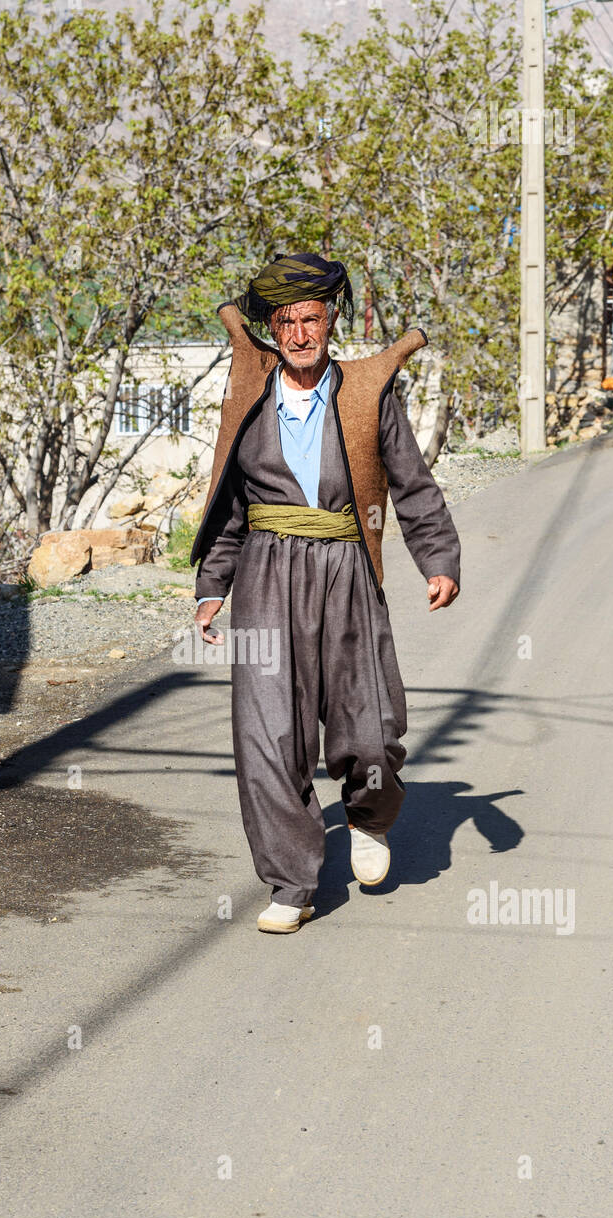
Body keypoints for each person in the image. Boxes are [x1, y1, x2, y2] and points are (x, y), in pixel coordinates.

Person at [191, 252, 460, 933]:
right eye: (286, 323)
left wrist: (437, 559)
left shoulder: (368, 394)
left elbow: (413, 484)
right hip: (265, 574)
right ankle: (292, 884)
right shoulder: (250, 398)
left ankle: (367, 819)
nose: (299, 335)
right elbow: (229, 503)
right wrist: (212, 585)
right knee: (267, 733)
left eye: (310, 319)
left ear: (332, 320)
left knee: (370, 725)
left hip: (346, 569)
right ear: (273, 329)